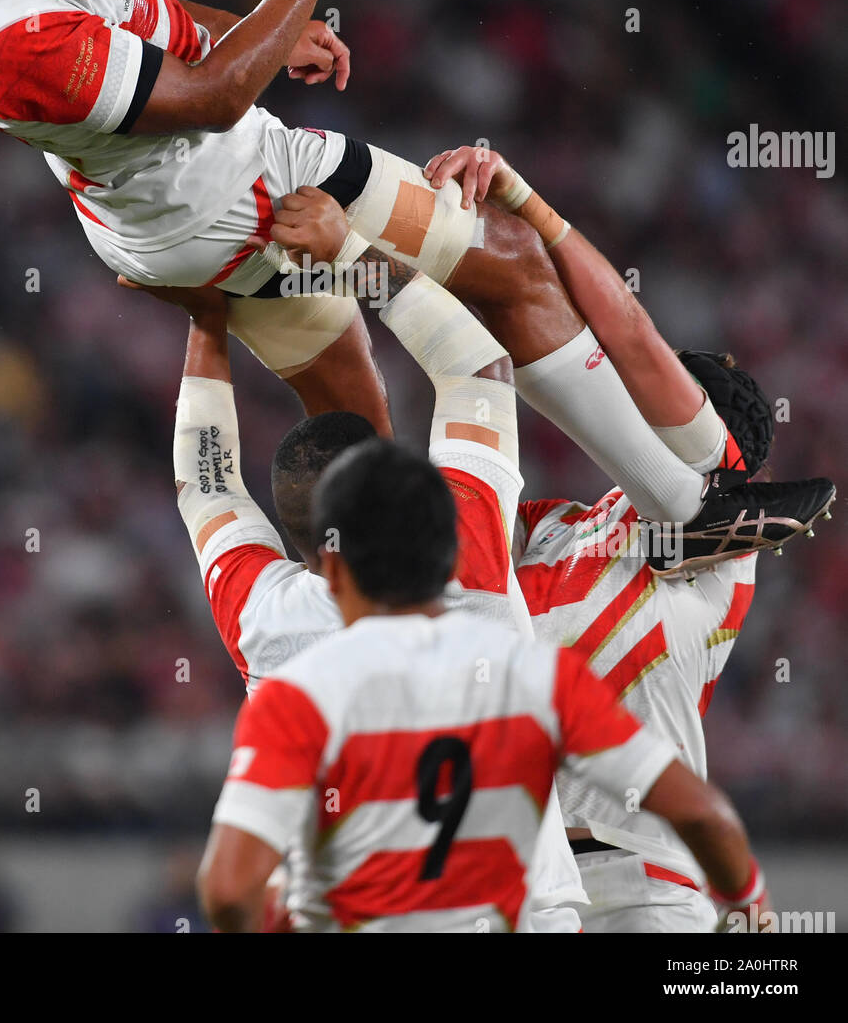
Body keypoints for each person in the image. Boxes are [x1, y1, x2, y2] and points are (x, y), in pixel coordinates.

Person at [0, 0, 806, 549]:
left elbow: (144, 18)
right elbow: (210, 100)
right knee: (513, 264)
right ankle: (681, 516)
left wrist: (260, 26)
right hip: (223, 187)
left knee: (356, 428)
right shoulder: (1, 38)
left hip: (164, 218)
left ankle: (388, 622)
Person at [422, 144, 836, 929]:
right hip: (522, 873)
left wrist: (527, 203)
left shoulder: (721, 541)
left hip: (648, 882)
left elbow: (630, 335)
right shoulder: (559, 526)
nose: (624, 384)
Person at [147, 227, 585, 930]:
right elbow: (479, 369)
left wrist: (207, 321)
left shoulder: (263, 619)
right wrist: (351, 256)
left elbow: (207, 488)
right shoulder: (466, 557)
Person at [196, 437, 769, 933]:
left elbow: (227, 888)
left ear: (335, 572)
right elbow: (702, 816)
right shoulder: (536, 677)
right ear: (452, 561)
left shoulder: (296, 699)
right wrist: (750, 909)